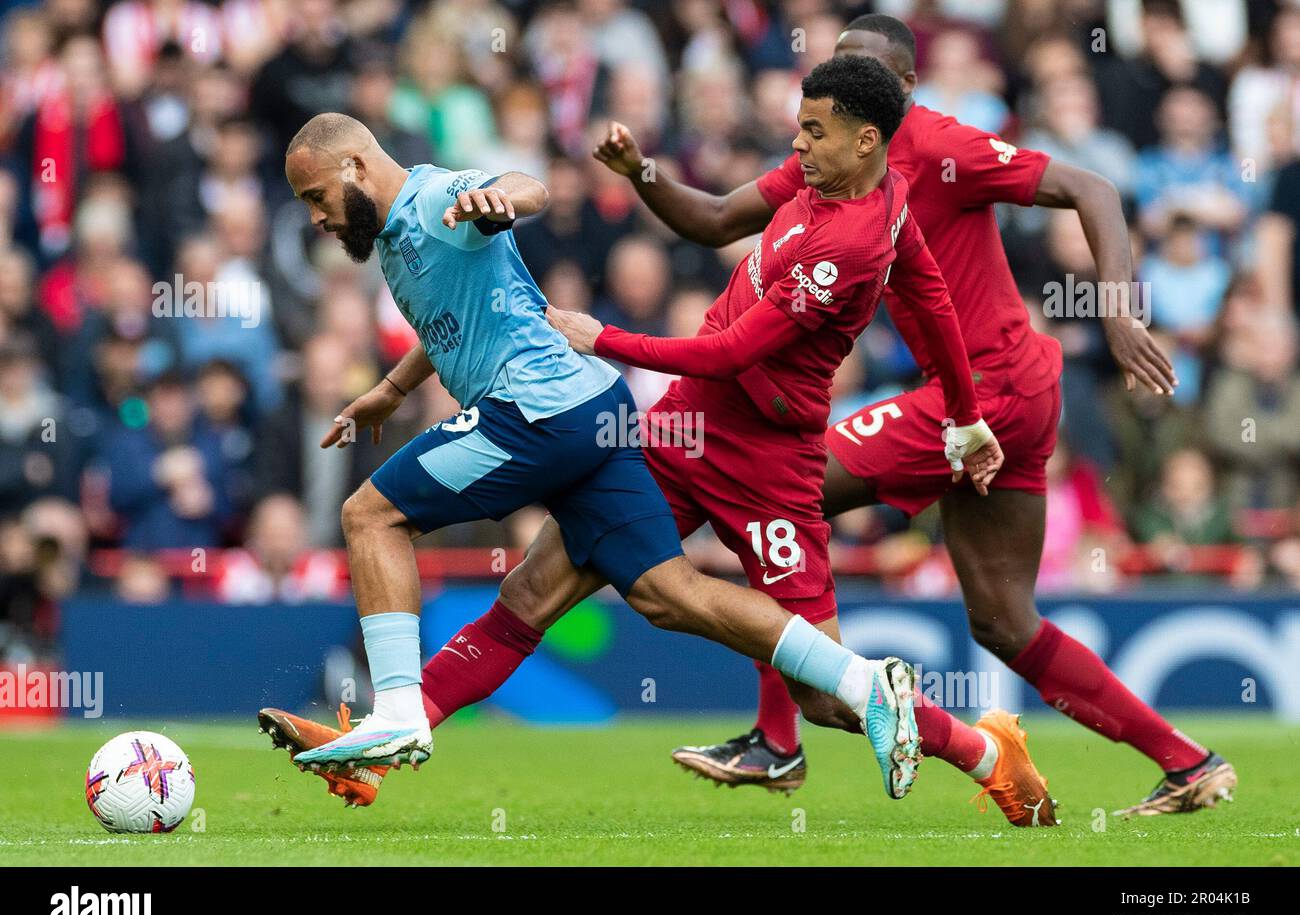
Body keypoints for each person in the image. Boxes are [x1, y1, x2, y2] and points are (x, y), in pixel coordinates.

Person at [265, 62, 1051, 824]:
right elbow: (749, 233)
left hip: (767, 456)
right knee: (580, 596)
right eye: (799, 128)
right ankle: (381, 742)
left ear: (867, 141)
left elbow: (732, 350)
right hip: (681, 425)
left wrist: (594, 322)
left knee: (818, 699)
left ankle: (977, 751)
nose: (799, 145)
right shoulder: (815, 184)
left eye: (814, 130)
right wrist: (966, 412)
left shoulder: (856, 237)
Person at [585, 13, 1231, 819]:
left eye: (873, 79)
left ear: (907, 91)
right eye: (841, 75)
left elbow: (1091, 187)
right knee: (1003, 621)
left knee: (779, 489)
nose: (853, 96)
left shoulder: (944, 147)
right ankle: (1188, 761)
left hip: (991, 390)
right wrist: (641, 170)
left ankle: (779, 742)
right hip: (1006, 391)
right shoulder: (831, 160)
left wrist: (1119, 309)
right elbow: (714, 218)